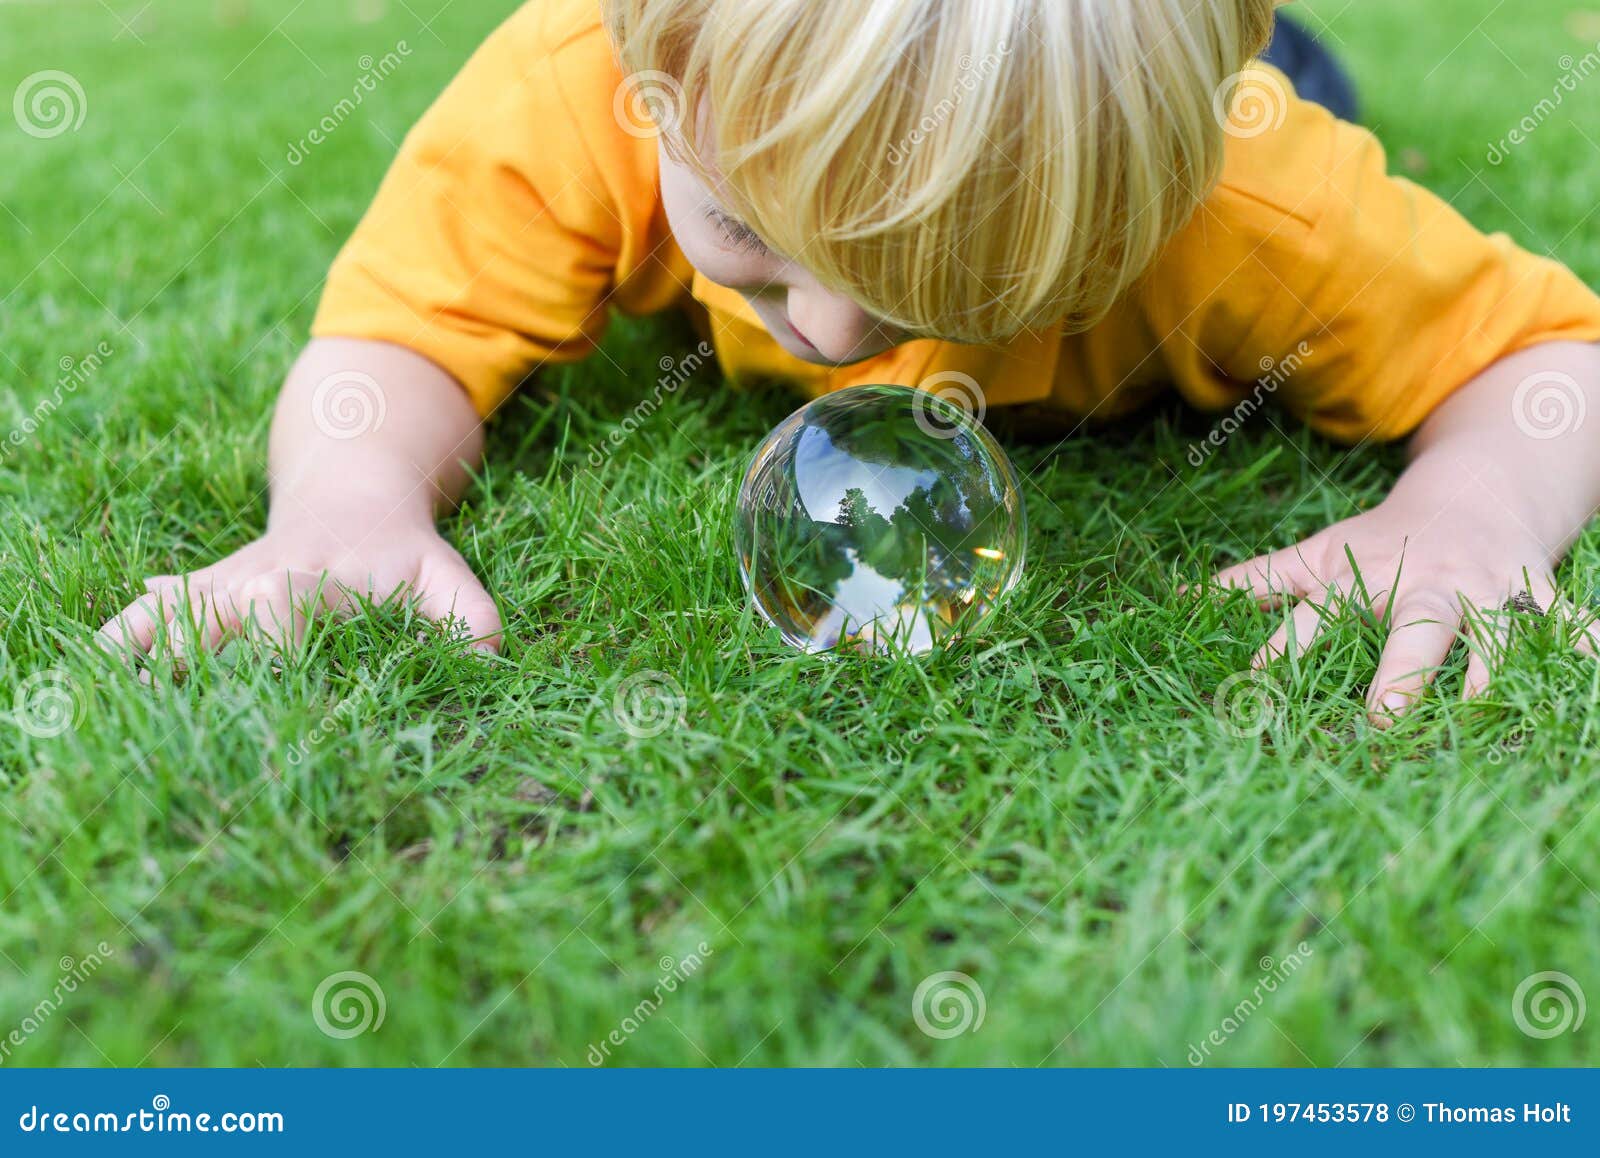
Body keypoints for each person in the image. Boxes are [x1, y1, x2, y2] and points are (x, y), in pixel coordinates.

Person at [98, 0, 1600, 722]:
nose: (824, 339)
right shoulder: (581, 86)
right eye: (747, 231)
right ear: (653, 84)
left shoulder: (1252, 207)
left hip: (1260, 97)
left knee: (1298, 91)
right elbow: (396, 332)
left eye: (952, 291)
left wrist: (1469, 517)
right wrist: (344, 506)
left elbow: (1551, 356)